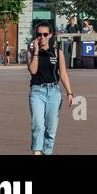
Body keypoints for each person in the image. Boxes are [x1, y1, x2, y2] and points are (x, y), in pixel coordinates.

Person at [27, 22, 74, 155]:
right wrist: (36, 52)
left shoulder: (57, 53)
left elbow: (63, 74)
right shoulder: (30, 52)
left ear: (50, 35)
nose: (41, 37)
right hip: (37, 91)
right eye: (38, 34)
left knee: (51, 128)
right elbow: (33, 70)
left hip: (54, 92)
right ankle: (37, 152)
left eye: (45, 34)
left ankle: (47, 152)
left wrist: (69, 93)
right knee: (38, 125)